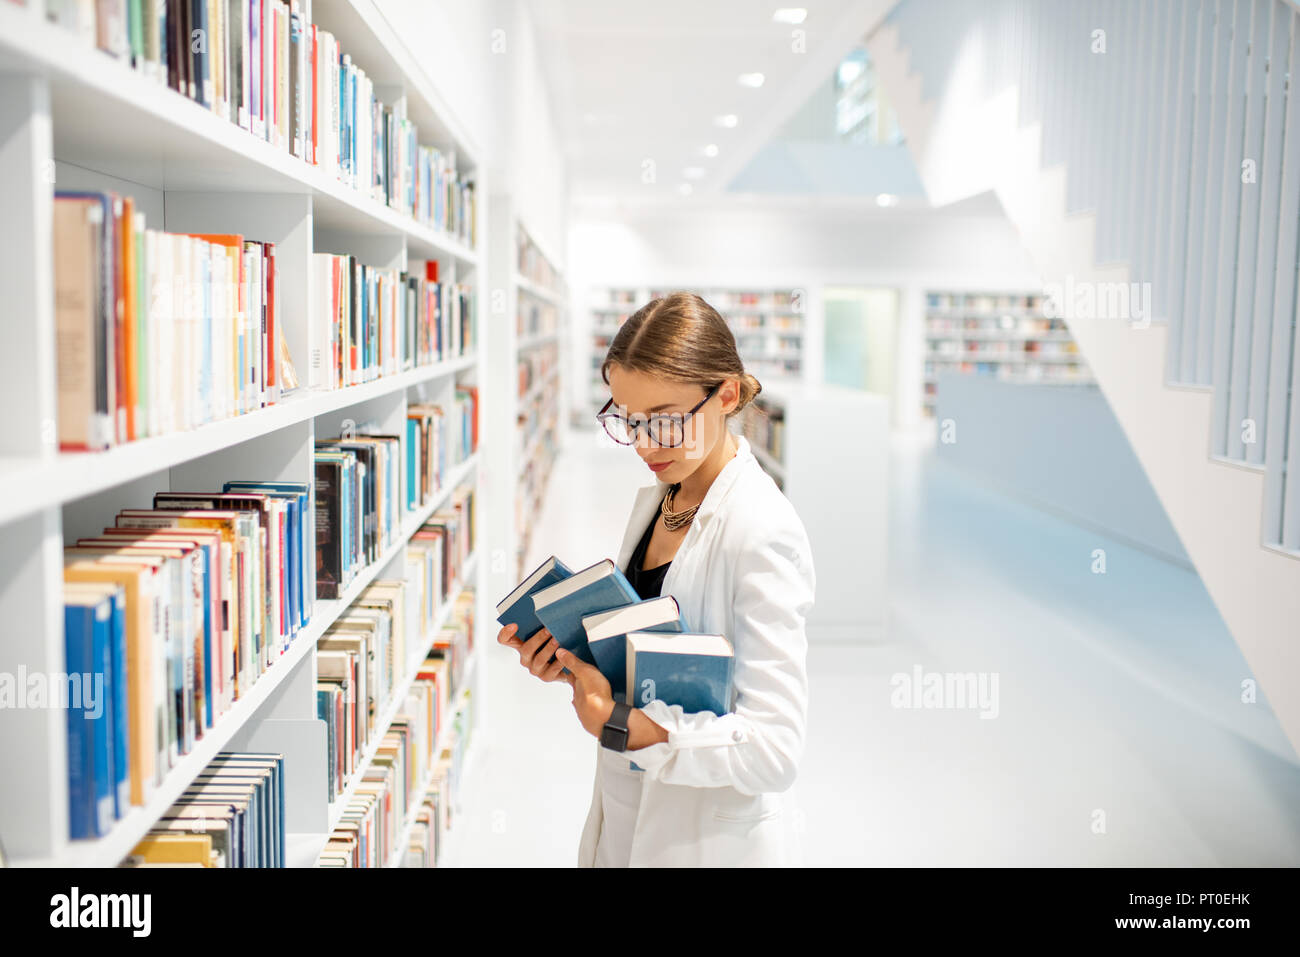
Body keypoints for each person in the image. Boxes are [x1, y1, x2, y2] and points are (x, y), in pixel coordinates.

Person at [497, 291, 816, 867]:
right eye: (628, 420)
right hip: (629, 814)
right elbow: (655, 659)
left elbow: (774, 750)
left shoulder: (763, 531)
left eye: (666, 422)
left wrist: (622, 725)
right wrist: (577, 665)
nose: (644, 445)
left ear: (726, 394)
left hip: (704, 841)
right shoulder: (665, 496)